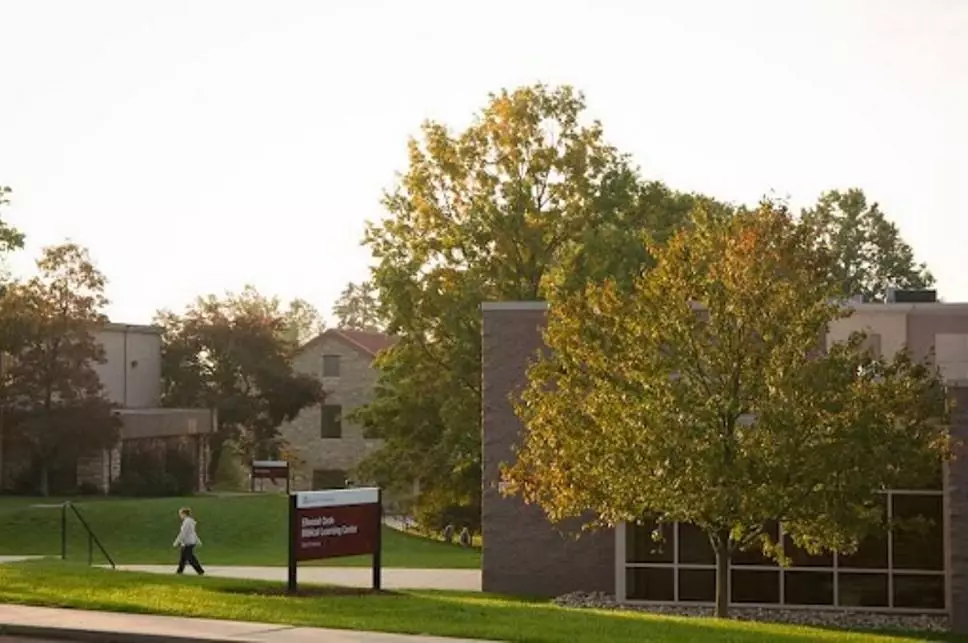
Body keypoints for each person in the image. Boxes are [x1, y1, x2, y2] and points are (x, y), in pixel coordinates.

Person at [173, 507, 205, 575]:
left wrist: (177, 542)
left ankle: (200, 571)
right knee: (183, 558)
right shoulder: (190, 521)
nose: (180, 516)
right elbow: (193, 532)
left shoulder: (187, 522)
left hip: (188, 542)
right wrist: (198, 540)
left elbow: (183, 533)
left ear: (184, 514)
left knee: (190, 558)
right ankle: (179, 571)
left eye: (180, 514)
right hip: (188, 542)